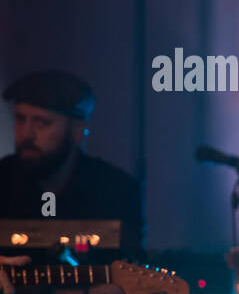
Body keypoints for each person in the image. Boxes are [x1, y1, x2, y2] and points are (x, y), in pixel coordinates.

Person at [0, 70, 143, 250]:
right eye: (20, 119)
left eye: (42, 123)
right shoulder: (4, 181)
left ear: (77, 129)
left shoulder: (115, 189)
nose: (27, 134)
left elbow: (129, 264)